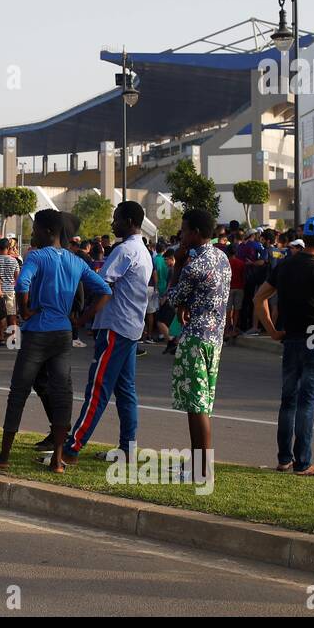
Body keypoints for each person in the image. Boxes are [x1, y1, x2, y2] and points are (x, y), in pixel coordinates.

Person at [0, 209, 110, 473]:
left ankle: (5, 454)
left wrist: (24, 311)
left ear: (46, 231)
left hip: (37, 332)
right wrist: (81, 319)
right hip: (63, 332)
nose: (32, 235)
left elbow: (22, 284)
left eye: (34, 230)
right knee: (62, 393)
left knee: (18, 391)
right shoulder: (76, 260)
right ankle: (57, 460)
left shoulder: (37, 256)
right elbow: (104, 290)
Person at [62, 201, 152, 464]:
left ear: (130, 221)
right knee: (125, 391)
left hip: (116, 326)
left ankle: (71, 449)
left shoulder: (124, 250)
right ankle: (127, 449)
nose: (113, 224)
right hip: (130, 327)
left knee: (98, 389)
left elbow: (102, 287)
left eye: (116, 219)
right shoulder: (142, 250)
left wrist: (82, 317)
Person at [253, 215, 314, 477]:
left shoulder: (285, 265)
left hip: (290, 335)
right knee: (307, 402)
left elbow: (260, 299)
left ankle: (284, 459)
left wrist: (271, 331)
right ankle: (303, 462)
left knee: (288, 400)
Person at [163, 208, 231, 482]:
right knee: (200, 404)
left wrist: (178, 264)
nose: (182, 235)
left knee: (196, 406)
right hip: (214, 339)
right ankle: (196, 465)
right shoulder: (222, 257)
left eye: (185, 230)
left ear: (197, 233)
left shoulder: (194, 265)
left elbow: (171, 296)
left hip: (196, 339)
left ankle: (201, 470)